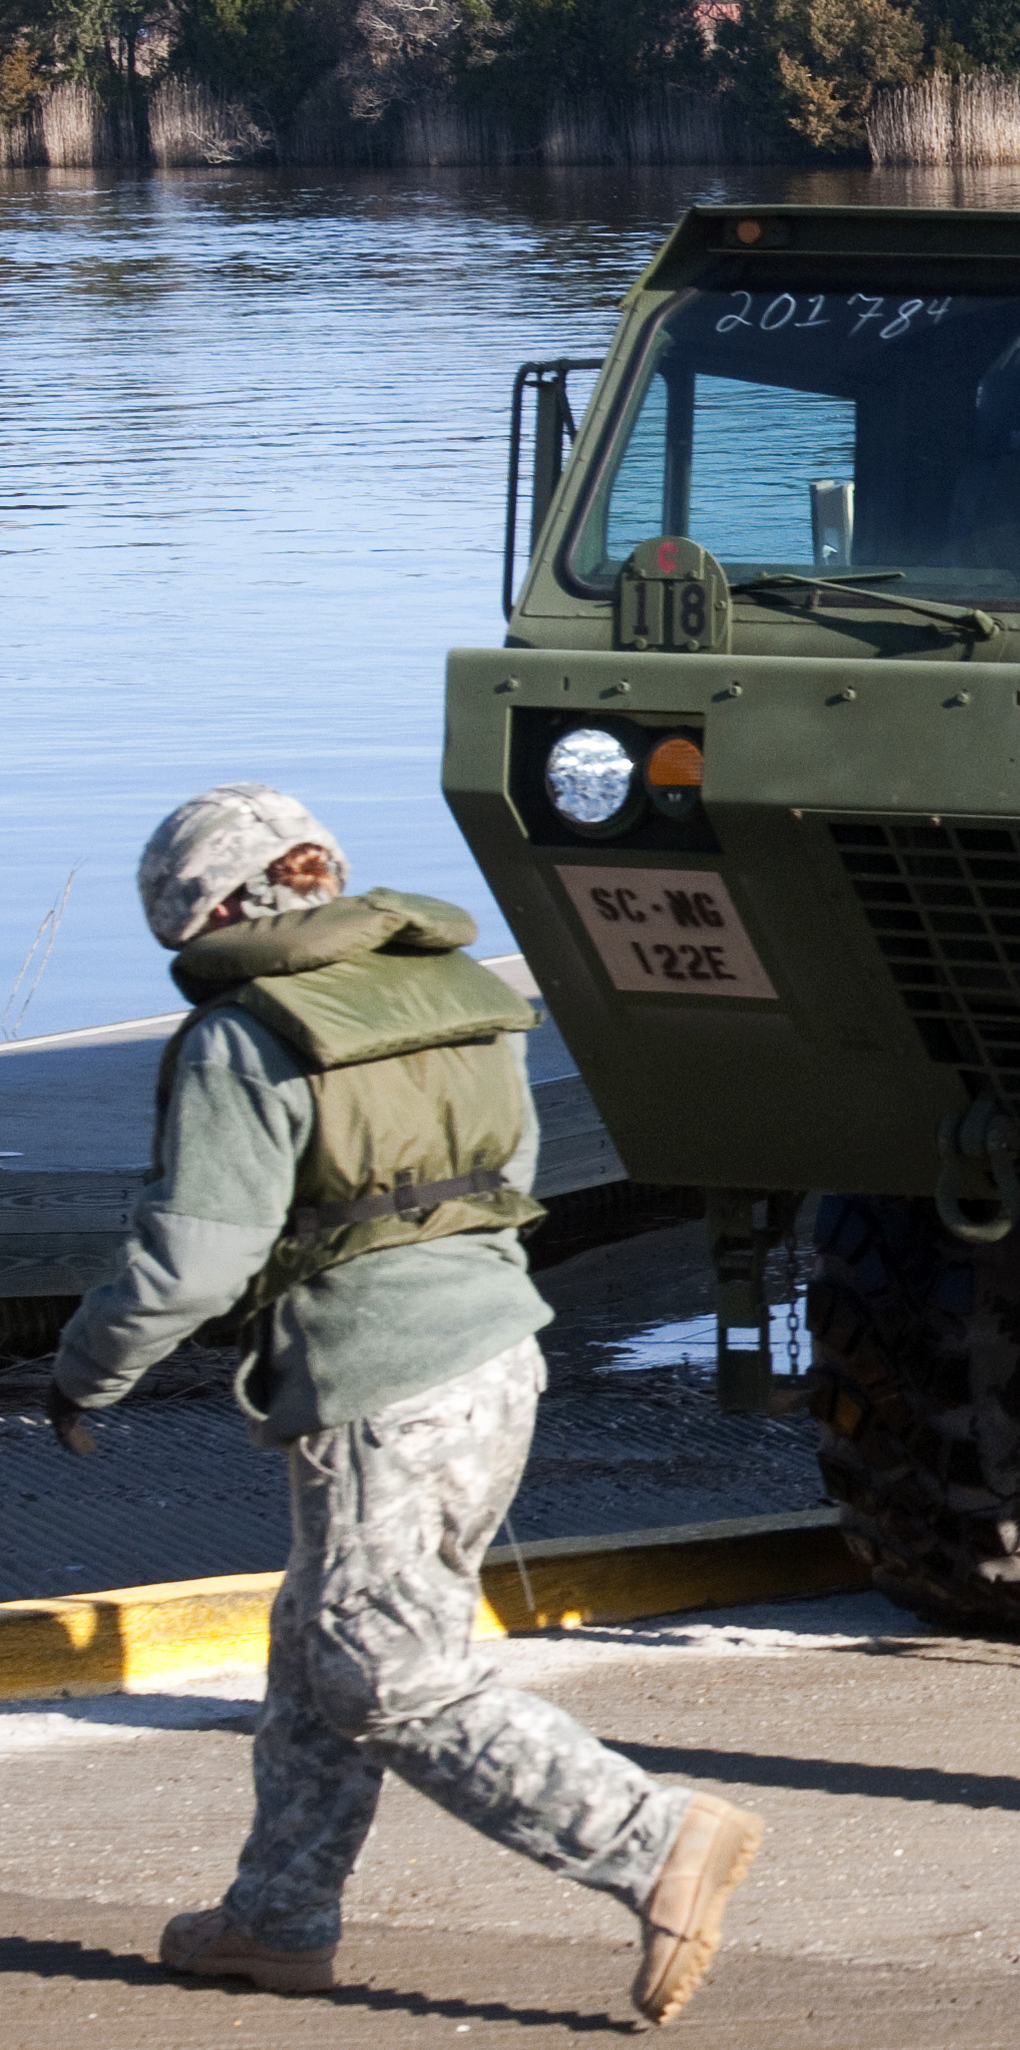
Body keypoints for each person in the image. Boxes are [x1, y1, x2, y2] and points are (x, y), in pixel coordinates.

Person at [42, 785, 762, 2022]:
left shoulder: (246, 1037)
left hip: (384, 1384)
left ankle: (652, 1840)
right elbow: (513, 1177)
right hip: (499, 1357)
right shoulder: (461, 997)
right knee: (319, 1642)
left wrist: (85, 1372)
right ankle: (277, 1919)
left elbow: (193, 1262)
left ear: (201, 911)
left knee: (385, 1670)